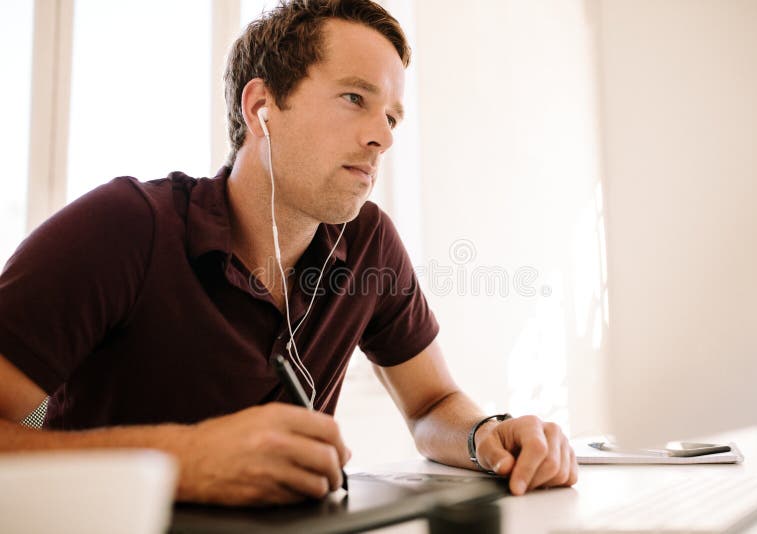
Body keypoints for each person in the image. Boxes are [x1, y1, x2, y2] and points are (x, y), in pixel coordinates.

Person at [0, 0, 577, 505]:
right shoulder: (124, 226)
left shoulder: (369, 243)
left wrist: (485, 437)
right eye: (356, 97)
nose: (384, 137)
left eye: (392, 116)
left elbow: (432, 404)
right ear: (262, 108)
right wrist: (184, 458)